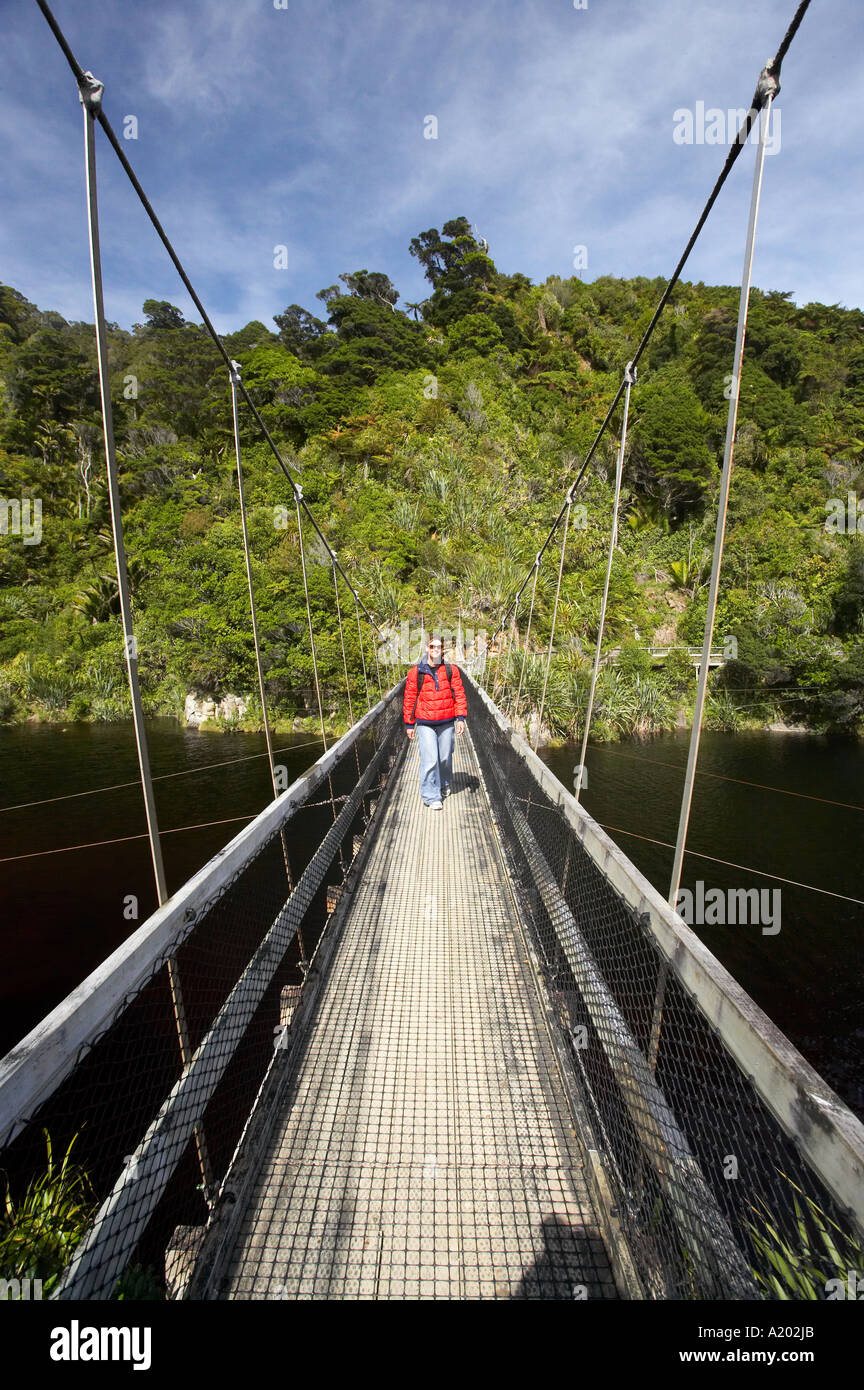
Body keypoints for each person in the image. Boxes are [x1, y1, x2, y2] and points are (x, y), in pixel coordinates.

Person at [403, 637, 467, 809]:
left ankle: (444, 784)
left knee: (445, 757)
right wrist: (409, 724)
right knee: (430, 759)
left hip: (447, 720)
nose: (435, 649)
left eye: (439, 647)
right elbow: (409, 699)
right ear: (427, 648)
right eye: (432, 646)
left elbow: (459, 694)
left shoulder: (451, 670)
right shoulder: (415, 672)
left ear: (442, 650)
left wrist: (460, 718)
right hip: (425, 722)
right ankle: (431, 797)